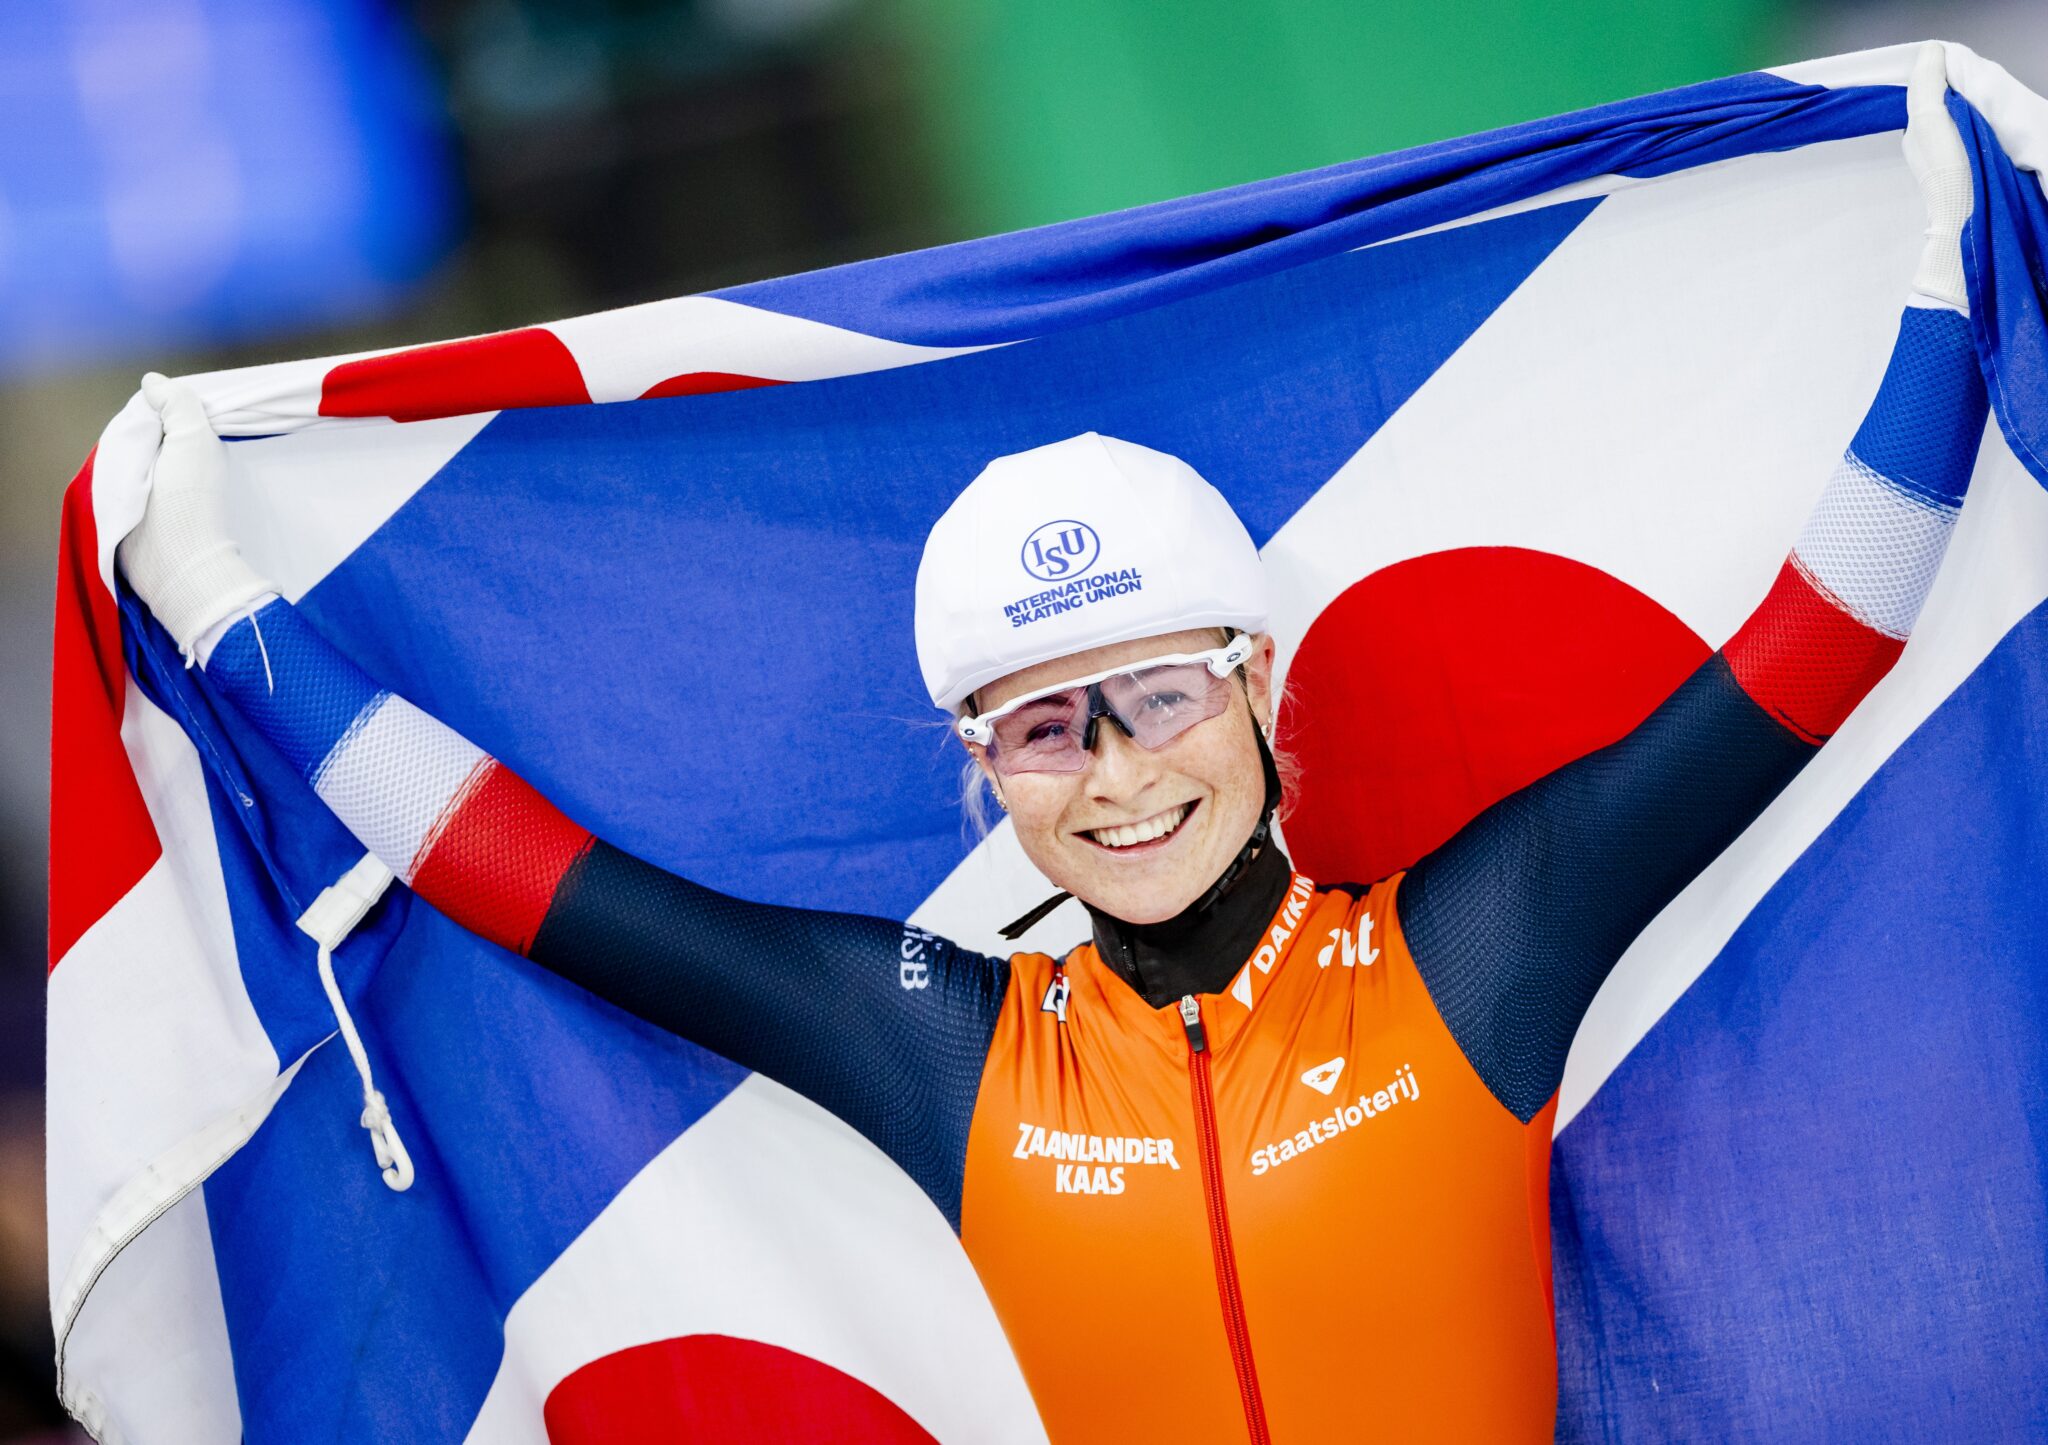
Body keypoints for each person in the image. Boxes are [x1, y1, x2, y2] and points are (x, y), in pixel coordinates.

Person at [117, 45, 1989, 1445]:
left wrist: (1945, 279)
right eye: (1041, 729)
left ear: (1260, 687)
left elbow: (1807, 658)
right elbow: (530, 882)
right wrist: (225, 621)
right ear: (979, 771)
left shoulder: (1469, 948)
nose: (1118, 774)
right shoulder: (943, 1039)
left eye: (1161, 695)